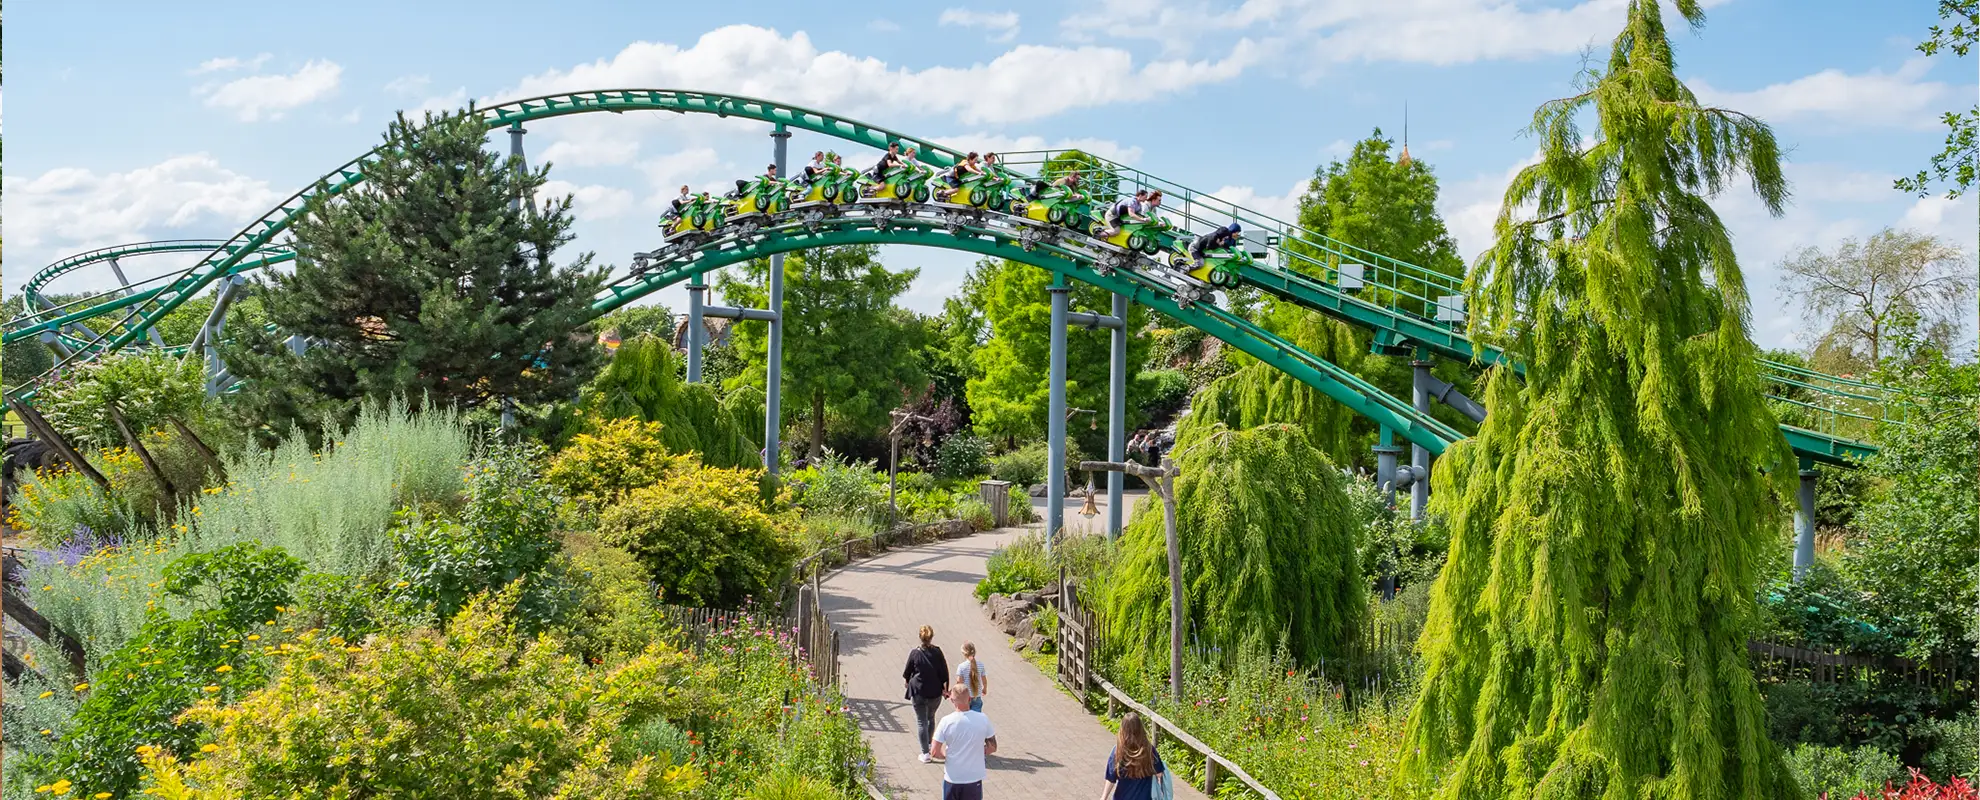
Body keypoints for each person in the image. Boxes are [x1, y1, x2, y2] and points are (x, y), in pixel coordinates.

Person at [931, 678, 998, 800]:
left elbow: (934, 752)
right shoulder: (983, 719)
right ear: (970, 699)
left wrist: (946, 755)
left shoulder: (946, 721)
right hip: (974, 778)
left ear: (952, 700)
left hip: (952, 778)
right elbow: (992, 747)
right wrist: (980, 750)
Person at [902, 625, 951, 763]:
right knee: (931, 718)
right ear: (931, 637)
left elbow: (907, 671)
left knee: (921, 721)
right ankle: (929, 745)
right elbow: (944, 672)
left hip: (919, 692)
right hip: (935, 693)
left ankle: (925, 754)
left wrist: (907, 681)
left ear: (920, 637)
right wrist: (945, 689)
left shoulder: (915, 653)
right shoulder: (937, 652)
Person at [1099, 712, 1167, 800]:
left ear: (1123, 729)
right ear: (1140, 729)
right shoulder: (1149, 750)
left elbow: (1111, 778)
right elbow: (1159, 774)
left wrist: (1104, 797)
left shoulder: (1117, 751)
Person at [955, 641, 989, 712]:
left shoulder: (961, 667)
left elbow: (959, 683)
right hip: (977, 696)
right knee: (976, 716)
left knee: (965, 715)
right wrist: (984, 689)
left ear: (964, 654)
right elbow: (984, 680)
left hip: (965, 697)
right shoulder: (980, 665)